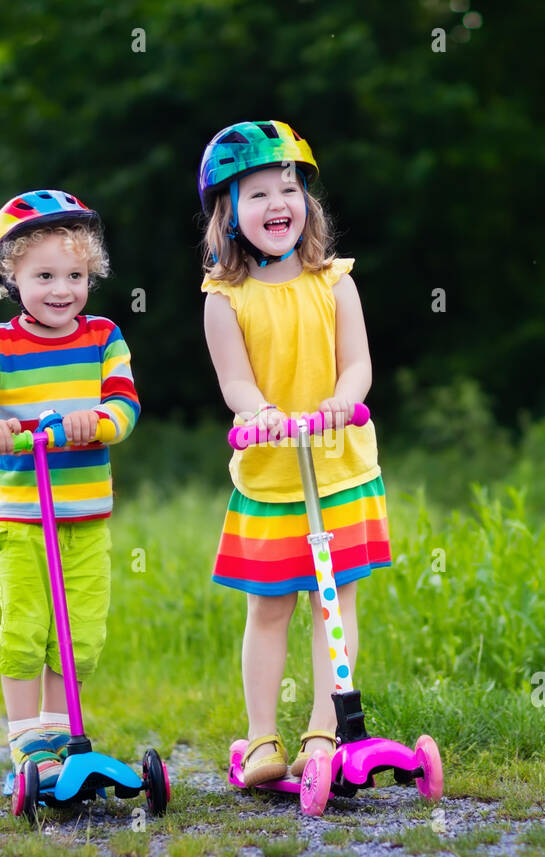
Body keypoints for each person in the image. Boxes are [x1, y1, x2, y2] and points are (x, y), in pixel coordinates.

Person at [198, 121, 391, 785]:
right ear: (227, 214)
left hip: (341, 467)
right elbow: (236, 381)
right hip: (272, 474)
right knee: (270, 606)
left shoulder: (334, 281)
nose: (278, 202)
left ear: (307, 203)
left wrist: (343, 399)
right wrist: (262, 415)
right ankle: (260, 739)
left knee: (335, 602)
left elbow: (358, 364)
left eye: (289, 188)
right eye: (257, 194)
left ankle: (324, 728)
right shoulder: (224, 299)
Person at [0, 189, 139, 789]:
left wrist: (96, 421)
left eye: (75, 275)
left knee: (80, 636)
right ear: (10, 274)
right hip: (22, 520)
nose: (61, 289)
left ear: (91, 275)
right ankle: (29, 747)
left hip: (86, 518)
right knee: (26, 628)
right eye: (44, 274)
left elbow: (124, 405)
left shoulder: (104, 337)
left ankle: (62, 741)